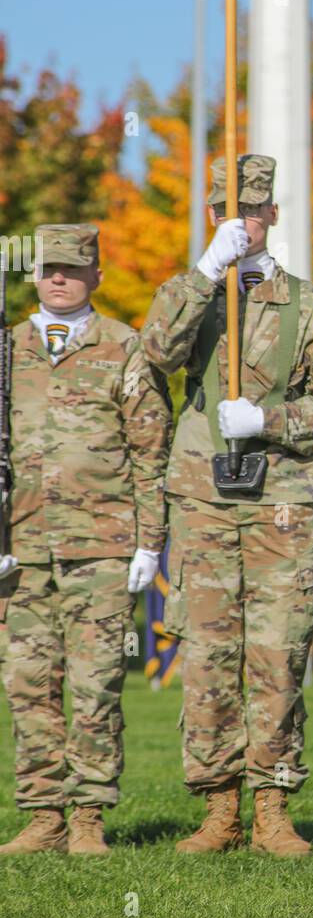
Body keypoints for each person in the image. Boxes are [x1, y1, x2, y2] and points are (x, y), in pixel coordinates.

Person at [142, 154, 313, 856]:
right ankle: (218, 807)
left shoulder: (309, 305)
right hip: (203, 497)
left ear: (273, 216)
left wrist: (271, 423)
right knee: (206, 654)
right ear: (212, 217)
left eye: (255, 210)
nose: (244, 221)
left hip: (282, 502)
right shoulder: (194, 292)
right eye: (230, 211)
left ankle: (273, 806)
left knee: (279, 653)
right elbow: (156, 353)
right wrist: (205, 271)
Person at [0, 224, 172, 856]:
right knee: (27, 681)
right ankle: (43, 812)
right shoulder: (7, 347)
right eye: (49, 269)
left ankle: (89, 816)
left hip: (102, 543)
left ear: (96, 275)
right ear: (35, 275)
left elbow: (150, 450)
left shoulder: (123, 347)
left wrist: (150, 542)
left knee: (96, 682)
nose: (60, 278)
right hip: (19, 546)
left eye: (73, 269)